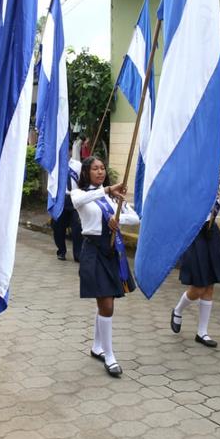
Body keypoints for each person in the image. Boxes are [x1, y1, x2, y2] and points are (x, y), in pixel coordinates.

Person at [71, 156, 139, 378]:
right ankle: (109, 356)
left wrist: (117, 219)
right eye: (95, 169)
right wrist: (108, 190)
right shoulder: (79, 194)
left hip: (112, 252)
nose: (100, 172)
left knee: (105, 301)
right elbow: (81, 202)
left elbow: (135, 218)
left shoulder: (112, 198)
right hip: (93, 251)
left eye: (102, 168)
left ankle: (97, 346)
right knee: (107, 303)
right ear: (86, 172)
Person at [170, 172, 220, 348]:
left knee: (210, 285)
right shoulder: (190, 187)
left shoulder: (218, 188)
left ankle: (202, 332)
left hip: (211, 235)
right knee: (199, 286)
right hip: (194, 236)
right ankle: (178, 310)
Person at [53, 152, 83, 262]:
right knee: (58, 227)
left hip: (75, 198)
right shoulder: (55, 165)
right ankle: (61, 251)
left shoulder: (77, 165)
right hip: (61, 199)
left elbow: (83, 180)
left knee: (77, 228)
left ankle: (78, 254)